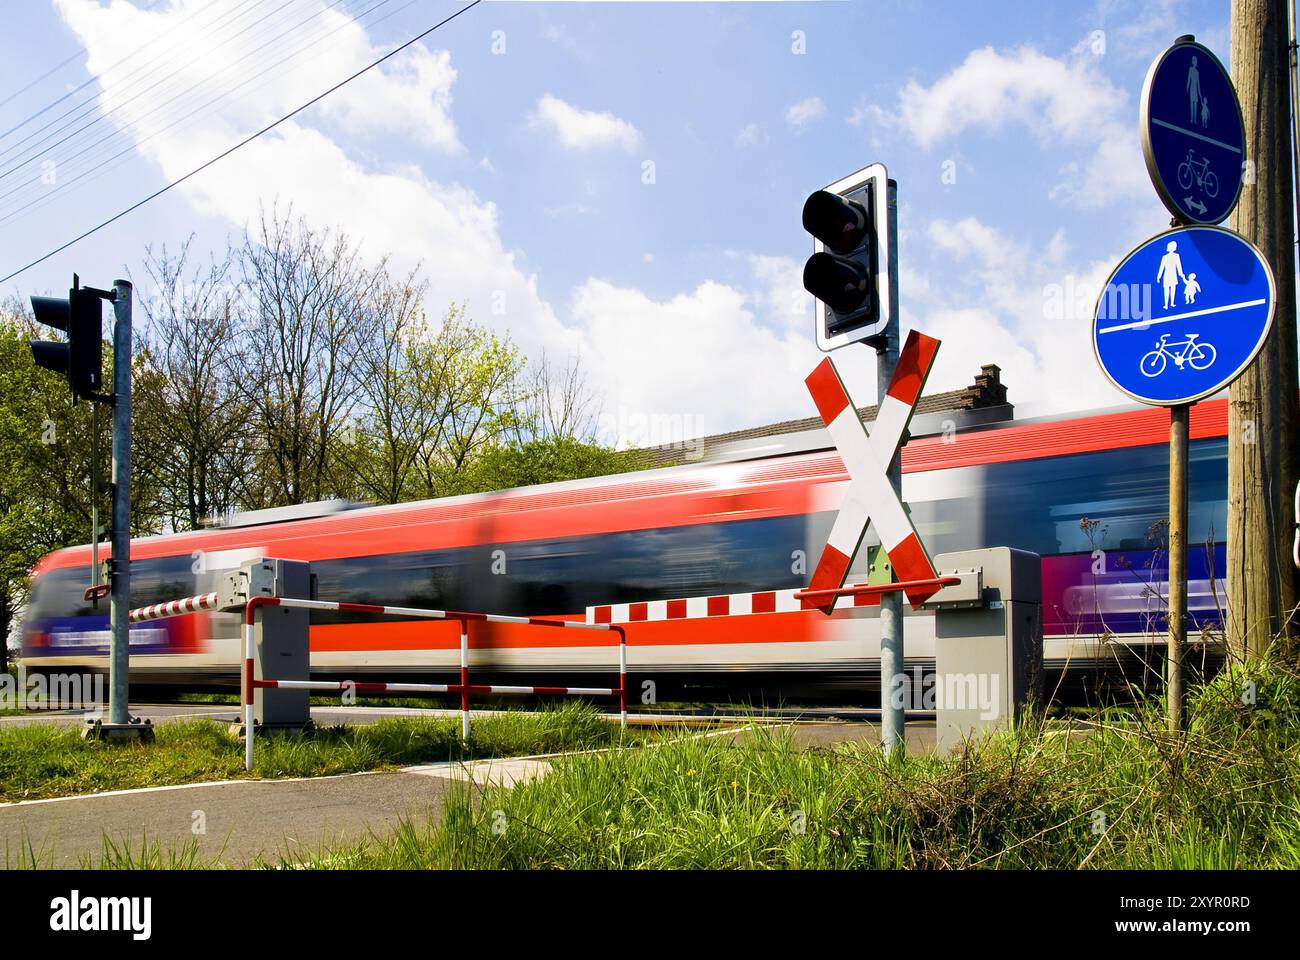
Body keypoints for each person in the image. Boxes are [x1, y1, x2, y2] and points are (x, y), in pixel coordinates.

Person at [1157, 240, 1186, 310]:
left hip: (1173, 274)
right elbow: (1161, 267)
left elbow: (1179, 266)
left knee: (1173, 288)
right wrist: (1159, 276)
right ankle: (1166, 304)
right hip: (1167, 275)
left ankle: (1172, 303)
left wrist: (1181, 274)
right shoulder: (1165, 257)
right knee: (1166, 289)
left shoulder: (1176, 256)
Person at [1187, 56, 1202, 126]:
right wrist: (1187, 88)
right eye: (1194, 60)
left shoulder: (1197, 72)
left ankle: (1195, 120)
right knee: (1191, 104)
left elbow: (1198, 83)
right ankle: (1192, 119)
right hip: (1191, 89)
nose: (1195, 62)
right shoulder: (1190, 69)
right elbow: (1189, 79)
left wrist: (1199, 93)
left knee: (1195, 104)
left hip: (1195, 90)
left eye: (1196, 60)